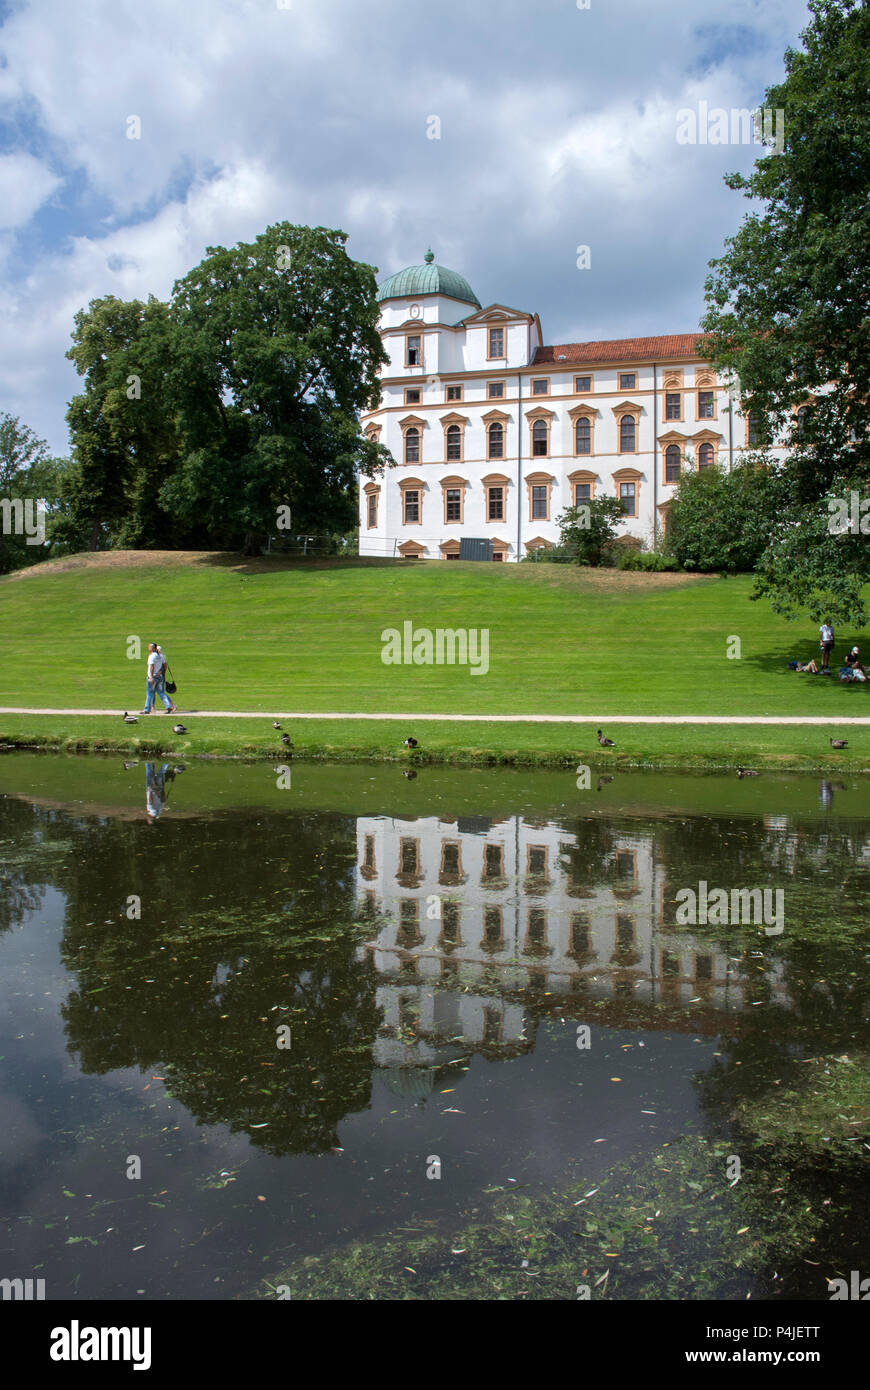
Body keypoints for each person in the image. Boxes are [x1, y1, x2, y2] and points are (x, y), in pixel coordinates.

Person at [143, 641, 177, 714]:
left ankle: (147, 709)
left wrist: (151, 677)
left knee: (149, 693)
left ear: (152, 648)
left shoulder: (152, 656)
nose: (148, 647)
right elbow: (164, 666)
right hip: (160, 677)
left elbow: (152, 666)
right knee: (161, 693)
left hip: (153, 677)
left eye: (149, 646)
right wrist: (161, 673)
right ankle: (169, 707)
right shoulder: (160, 656)